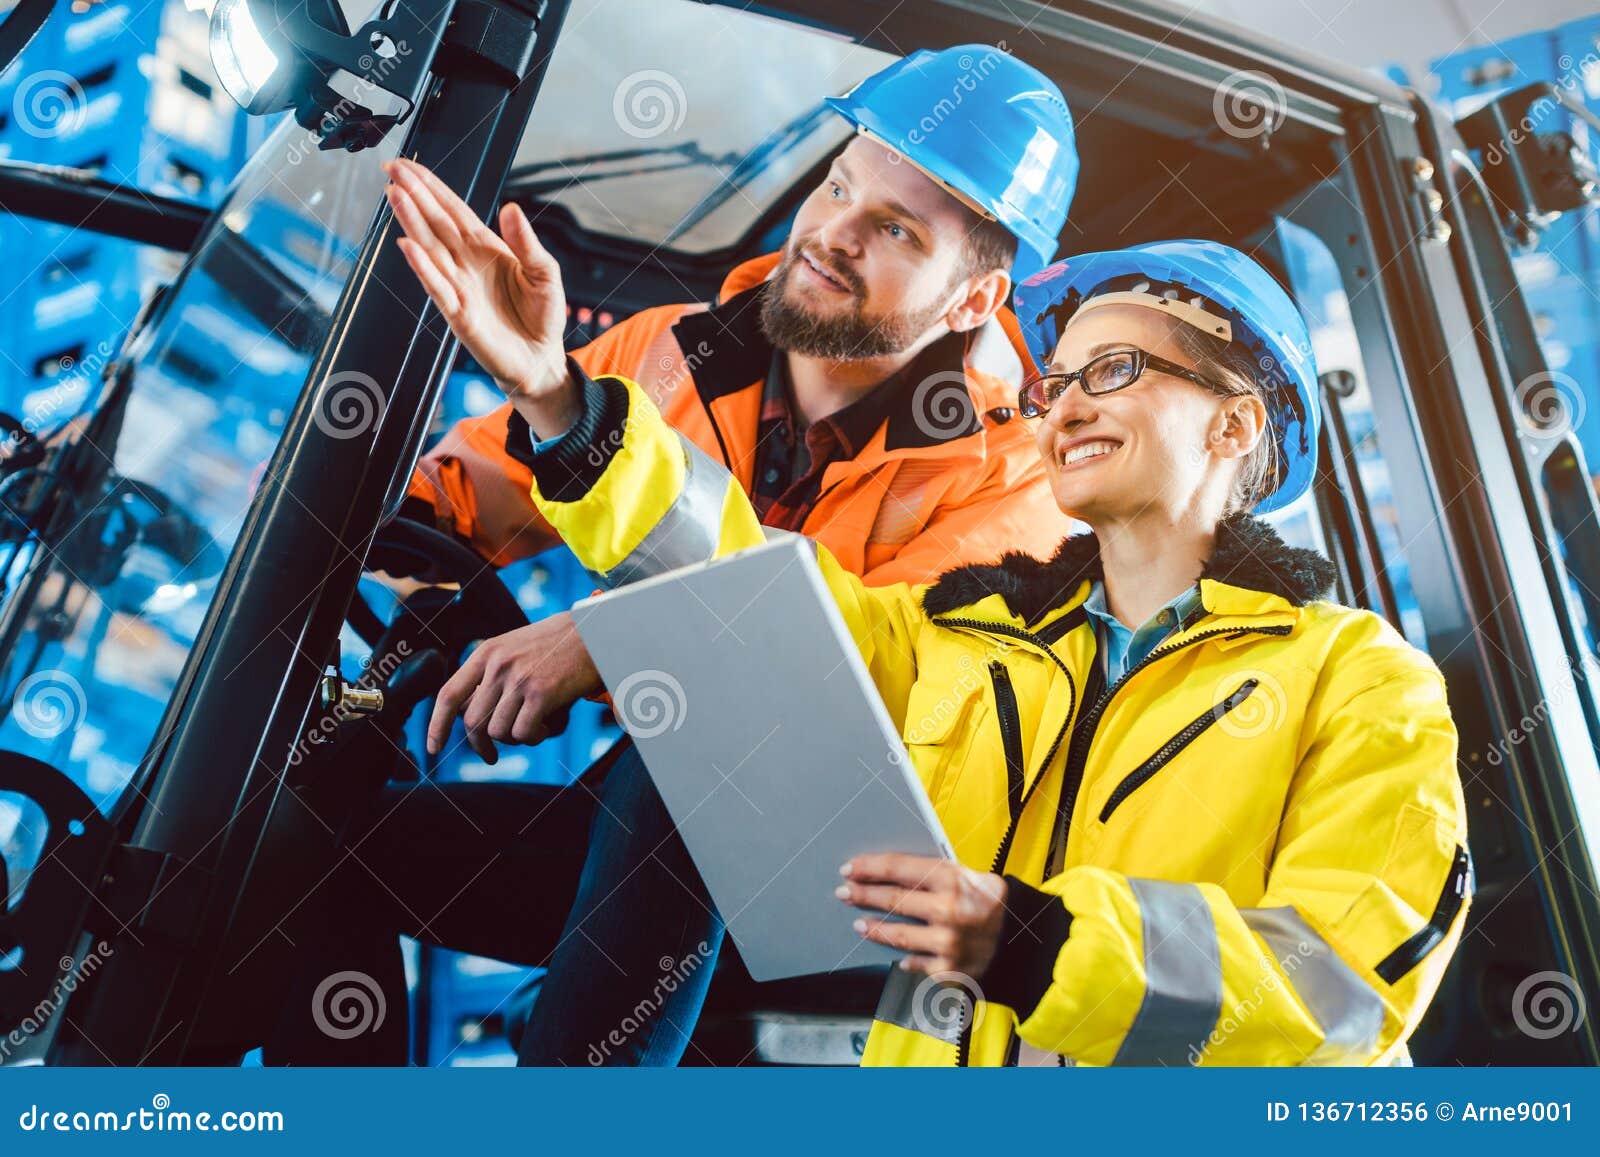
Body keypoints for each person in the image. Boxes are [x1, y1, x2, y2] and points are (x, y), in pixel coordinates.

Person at [268, 45, 1081, 1065]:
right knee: (294, 854)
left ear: (972, 301)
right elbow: (475, 489)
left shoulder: (1019, 487)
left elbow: (862, 678)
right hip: (658, 847)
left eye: (893, 230)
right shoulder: (668, 352)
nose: (832, 233)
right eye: (839, 187)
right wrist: (371, 554)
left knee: (714, 739)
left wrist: (620, 634)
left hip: (866, 910)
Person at [484, 238, 1472, 1065]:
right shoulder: (961, 637)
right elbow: (747, 585)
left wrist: (1038, 945)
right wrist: (565, 410)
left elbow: (1343, 981)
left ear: (1233, 421)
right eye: (1062, 381)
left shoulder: (1357, 678)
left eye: (1117, 369)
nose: (1069, 406)